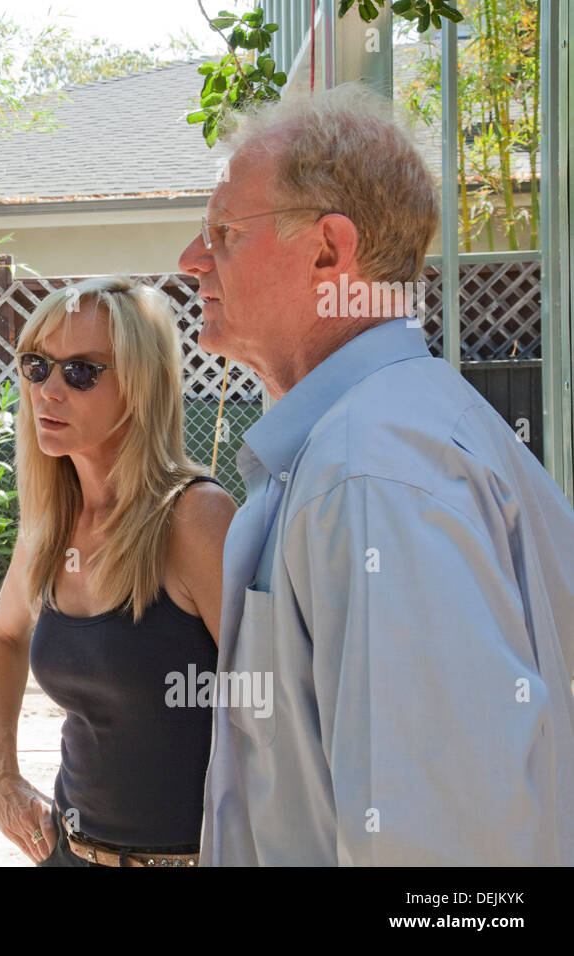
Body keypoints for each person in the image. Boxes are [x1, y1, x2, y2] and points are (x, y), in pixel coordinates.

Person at [177, 84, 574, 865]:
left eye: (223, 231)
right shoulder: (377, 442)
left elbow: (447, 862)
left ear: (330, 249)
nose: (191, 261)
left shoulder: (372, 473)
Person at [0, 275, 237, 867]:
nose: (48, 391)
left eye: (81, 372)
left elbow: (275, 706)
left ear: (142, 388)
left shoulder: (195, 518)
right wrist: (0, 775)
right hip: (68, 854)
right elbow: (4, 634)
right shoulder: (52, 522)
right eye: (37, 366)